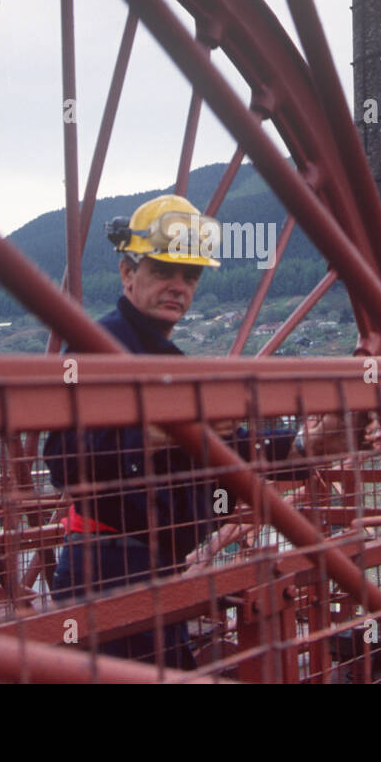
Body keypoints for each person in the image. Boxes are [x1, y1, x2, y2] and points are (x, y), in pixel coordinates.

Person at [42, 194, 314, 669]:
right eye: (163, 271)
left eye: (190, 276)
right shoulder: (95, 350)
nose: (179, 287)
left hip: (151, 566)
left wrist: (306, 445)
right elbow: (63, 461)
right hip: (108, 567)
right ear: (129, 273)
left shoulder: (170, 363)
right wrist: (162, 432)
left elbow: (224, 450)